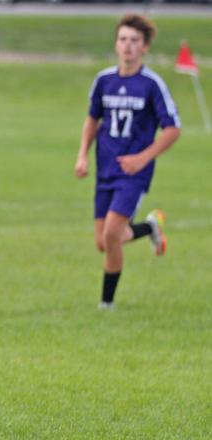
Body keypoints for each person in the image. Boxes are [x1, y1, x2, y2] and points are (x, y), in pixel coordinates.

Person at [74, 15, 181, 309]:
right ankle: (149, 227)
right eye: (123, 39)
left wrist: (142, 158)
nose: (128, 46)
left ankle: (106, 304)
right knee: (104, 241)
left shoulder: (151, 84)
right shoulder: (104, 80)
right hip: (105, 169)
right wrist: (82, 154)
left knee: (111, 236)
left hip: (135, 174)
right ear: (116, 44)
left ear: (145, 47)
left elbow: (173, 129)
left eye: (134, 41)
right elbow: (92, 119)